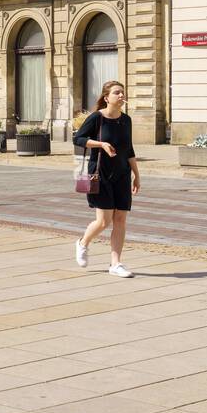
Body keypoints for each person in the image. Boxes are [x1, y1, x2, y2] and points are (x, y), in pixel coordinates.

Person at [73, 80, 140, 278]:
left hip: (122, 174)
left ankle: (116, 264)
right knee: (103, 221)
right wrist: (101, 144)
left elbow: (129, 149)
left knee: (120, 220)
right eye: (117, 92)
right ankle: (83, 243)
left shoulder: (126, 120)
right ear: (106, 98)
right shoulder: (97, 118)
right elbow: (78, 139)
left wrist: (136, 174)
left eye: (122, 92)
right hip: (100, 174)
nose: (121, 95)